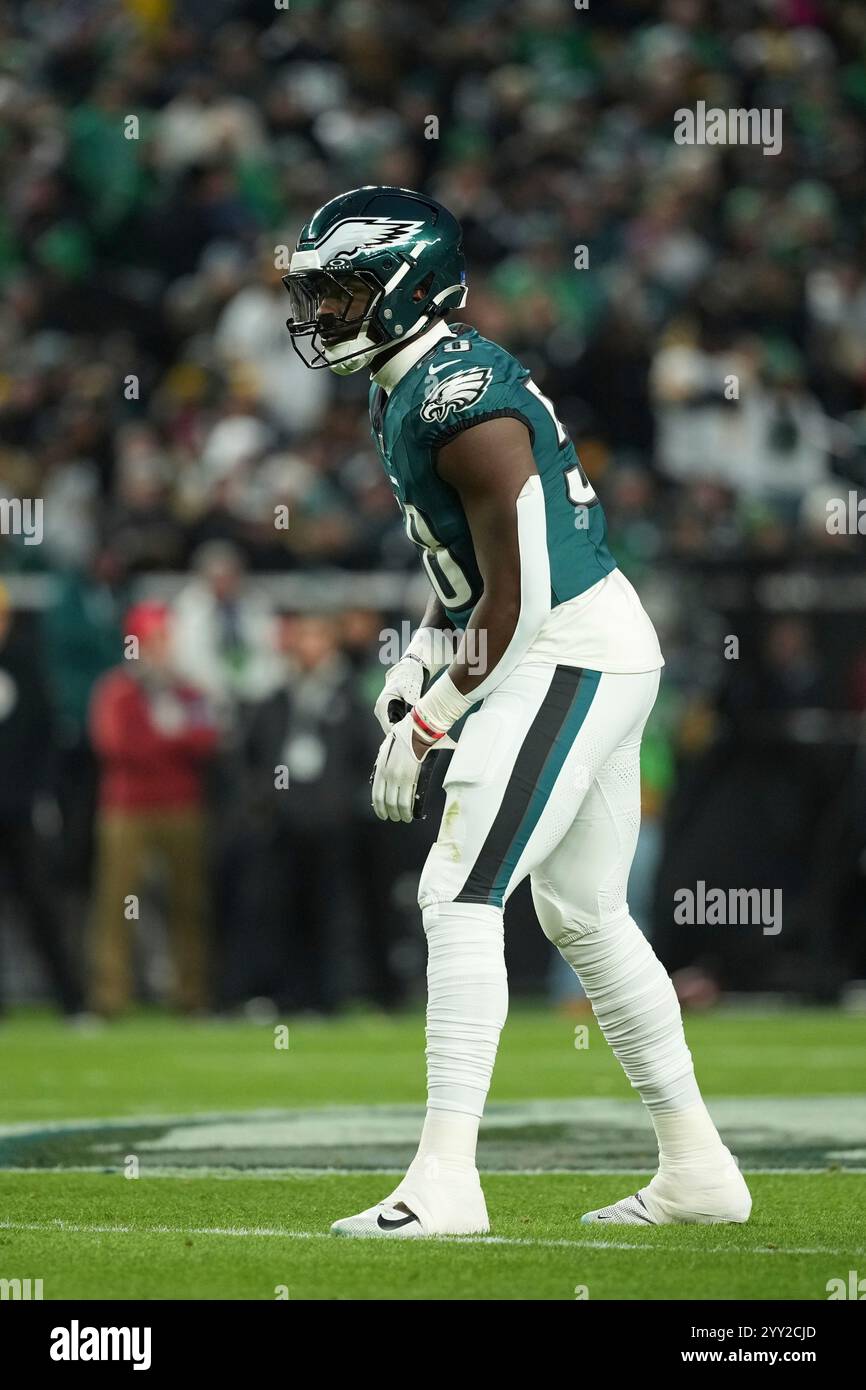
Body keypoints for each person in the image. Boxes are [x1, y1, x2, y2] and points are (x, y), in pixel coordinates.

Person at [284, 186, 751, 1236]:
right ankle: (698, 1169)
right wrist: (419, 656)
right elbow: (462, 570)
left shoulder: (461, 402)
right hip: (576, 642)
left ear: (407, 287)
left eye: (344, 291)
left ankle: (445, 1180)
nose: (321, 317)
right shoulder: (413, 378)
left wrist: (435, 708)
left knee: (458, 891)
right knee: (583, 913)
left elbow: (521, 593)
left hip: (567, 647)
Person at [88, 601, 218, 1015]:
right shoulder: (117, 691)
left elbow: (208, 741)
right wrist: (171, 741)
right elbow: (114, 746)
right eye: (154, 640)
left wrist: (163, 740)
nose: (162, 649)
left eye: (166, 639)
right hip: (127, 809)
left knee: (188, 903)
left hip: (180, 807)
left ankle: (191, 994)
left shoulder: (187, 691)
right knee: (116, 903)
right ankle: (109, 997)